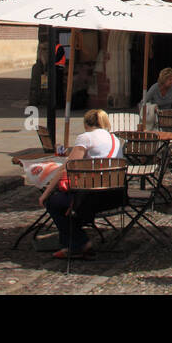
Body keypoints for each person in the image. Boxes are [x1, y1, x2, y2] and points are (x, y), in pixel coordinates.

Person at [38, 109, 123, 260]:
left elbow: (67, 167)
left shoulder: (86, 138)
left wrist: (45, 194)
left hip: (91, 197)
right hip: (115, 194)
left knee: (53, 202)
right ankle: (70, 245)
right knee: (67, 202)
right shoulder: (115, 139)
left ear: (85, 124)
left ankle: (80, 243)